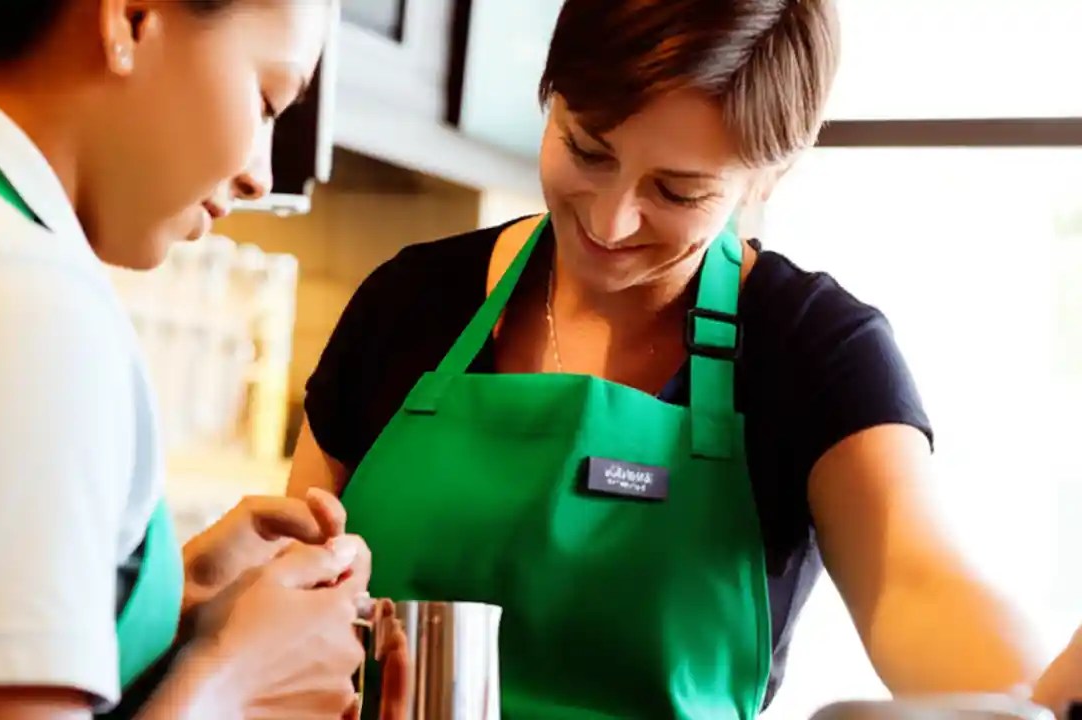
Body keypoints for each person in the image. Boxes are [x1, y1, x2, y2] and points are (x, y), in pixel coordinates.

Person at [288, 0, 1045, 717]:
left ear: (769, 175)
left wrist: (1032, 698)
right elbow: (291, 592)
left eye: (678, 192)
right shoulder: (409, 301)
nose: (611, 221)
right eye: (587, 149)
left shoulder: (814, 350)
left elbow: (916, 584)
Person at [0, 1, 405, 718]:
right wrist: (238, 683)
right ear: (130, 17)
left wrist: (165, 605)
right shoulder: (13, 306)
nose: (260, 176)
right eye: (268, 99)